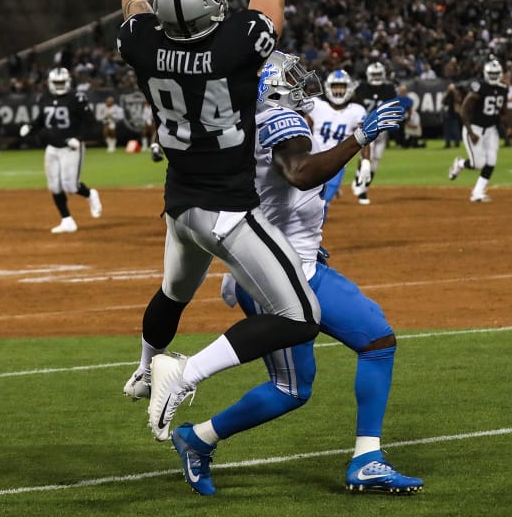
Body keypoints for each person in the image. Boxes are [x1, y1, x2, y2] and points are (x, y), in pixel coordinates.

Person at [115, 0, 400, 443]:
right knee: (300, 318)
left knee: (173, 292)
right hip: (225, 210)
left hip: (178, 204)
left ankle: (146, 364)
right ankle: (181, 373)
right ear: (211, 7)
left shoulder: (143, 44)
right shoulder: (239, 46)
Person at [167, 51, 418, 496]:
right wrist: (360, 136)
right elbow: (300, 174)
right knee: (328, 369)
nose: (305, 85)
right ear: (275, 87)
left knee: (335, 365)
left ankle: (200, 437)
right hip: (282, 277)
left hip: (277, 262)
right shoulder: (283, 119)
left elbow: (277, 194)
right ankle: (199, 428)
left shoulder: (245, 121)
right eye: (295, 78)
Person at [21, 67, 102, 234]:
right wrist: (30, 126)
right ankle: (67, 220)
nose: (59, 86)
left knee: (70, 186)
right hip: (52, 147)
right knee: (54, 186)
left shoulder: (76, 98)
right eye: (56, 83)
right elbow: (42, 119)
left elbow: (92, 123)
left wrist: (78, 139)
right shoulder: (44, 97)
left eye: (62, 82)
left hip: (70, 148)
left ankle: (90, 194)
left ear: (68, 82)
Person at [308, 69, 367, 218]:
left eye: (341, 86)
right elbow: (304, 130)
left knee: (322, 203)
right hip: (313, 160)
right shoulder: (315, 105)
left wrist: (366, 161)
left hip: (336, 164)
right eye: (335, 86)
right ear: (328, 87)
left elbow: (366, 136)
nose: (338, 90)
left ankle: (312, 239)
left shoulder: (356, 111)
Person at [449, 59, 505, 202]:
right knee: (478, 163)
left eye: (496, 73)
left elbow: (500, 110)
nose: (494, 76)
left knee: (491, 161)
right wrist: (470, 131)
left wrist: (506, 126)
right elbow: (464, 109)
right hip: (475, 128)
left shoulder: (503, 88)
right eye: (491, 73)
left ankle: (478, 192)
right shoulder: (480, 87)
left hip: (491, 130)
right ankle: (460, 163)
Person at [351, 62, 398, 204]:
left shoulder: (389, 89)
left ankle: (359, 182)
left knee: (376, 160)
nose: (376, 78)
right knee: (367, 158)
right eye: (374, 75)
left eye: (379, 75)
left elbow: (394, 107)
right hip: (366, 129)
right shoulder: (362, 88)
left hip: (382, 130)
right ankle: (362, 190)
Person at [441, 82, 462, 149]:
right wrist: (448, 93)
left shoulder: (457, 93)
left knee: (455, 129)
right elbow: (443, 102)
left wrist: (454, 92)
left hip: (455, 114)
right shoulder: (447, 94)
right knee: (447, 130)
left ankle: (457, 143)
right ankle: (447, 143)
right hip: (448, 114)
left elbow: (459, 100)